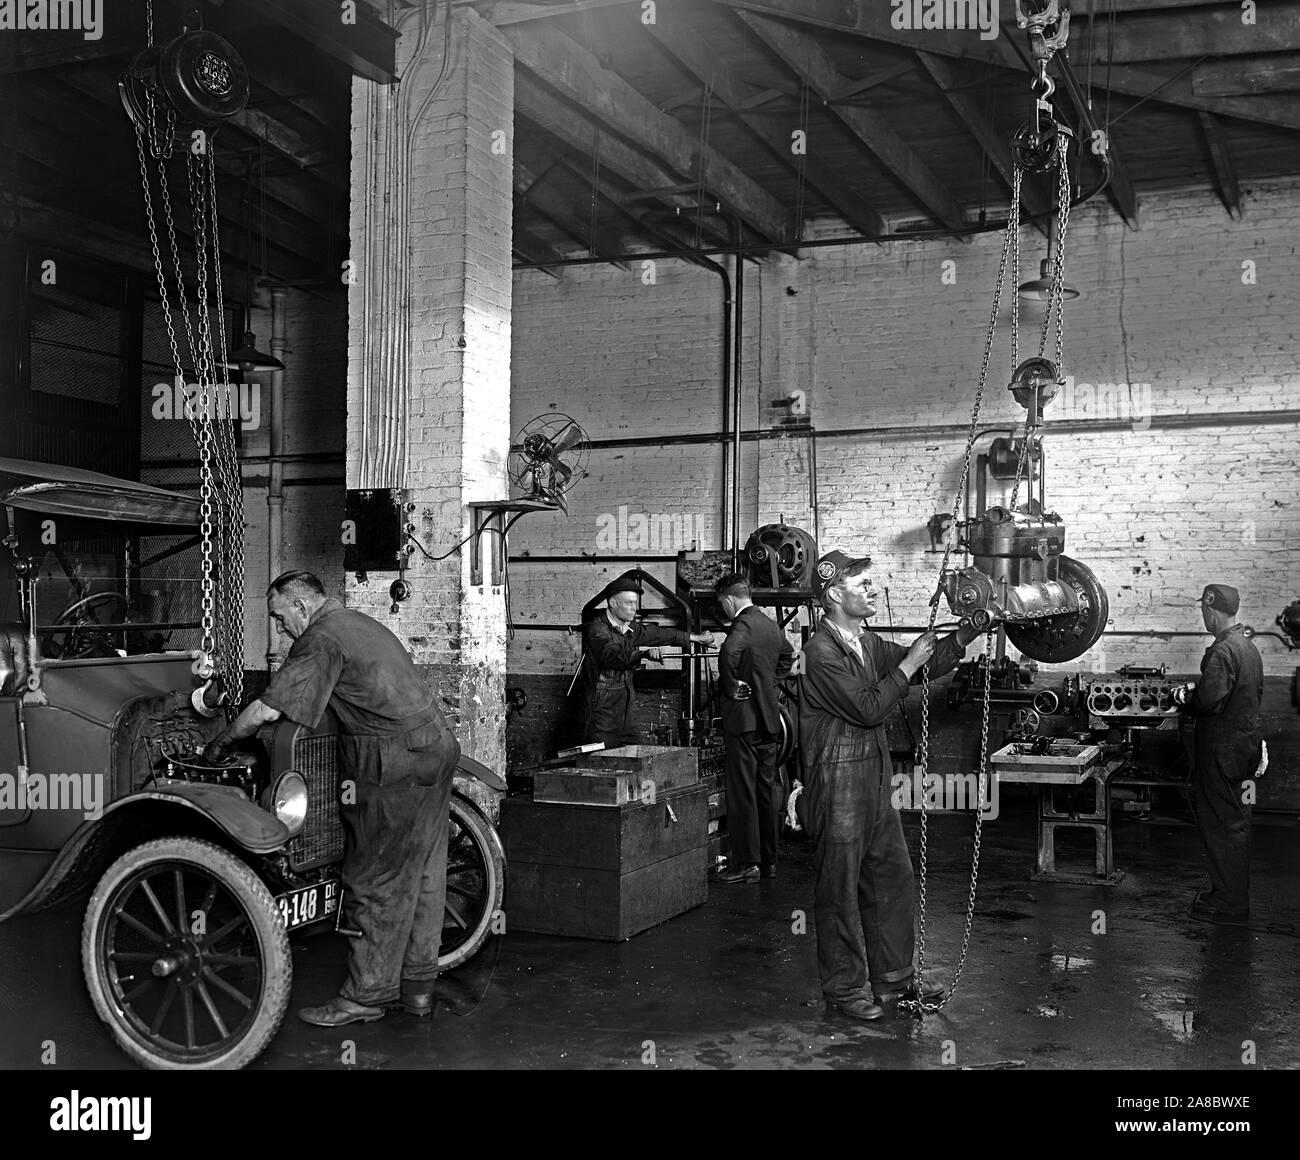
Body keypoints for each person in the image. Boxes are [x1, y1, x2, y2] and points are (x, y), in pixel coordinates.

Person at [202, 570, 460, 1027]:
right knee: (422, 870)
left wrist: (222, 742)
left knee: (374, 876)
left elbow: (269, 709)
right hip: (434, 747)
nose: (279, 628)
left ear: (302, 607)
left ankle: (366, 995)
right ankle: (417, 989)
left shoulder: (321, 639)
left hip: (393, 759)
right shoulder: (358, 624)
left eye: (280, 618)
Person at [798, 550, 981, 1021]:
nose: (872, 589)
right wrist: (908, 666)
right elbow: (867, 707)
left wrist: (972, 626)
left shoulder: (868, 643)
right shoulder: (820, 652)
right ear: (834, 595)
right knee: (838, 890)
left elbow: (926, 661)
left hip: (874, 780)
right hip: (835, 782)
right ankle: (843, 989)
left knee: (891, 879)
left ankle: (895, 979)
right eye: (861, 584)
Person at [1182, 583, 1263, 922]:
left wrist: (1187, 698)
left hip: (1221, 750)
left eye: (1203, 610)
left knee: (1222, 824)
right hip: (1243, 745)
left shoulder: (1223, 651)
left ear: (1211, 611)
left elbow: (1210, 700)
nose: (1203, 614)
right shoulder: (1248, 648)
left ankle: (1229, 902)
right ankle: (1227, 893)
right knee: (1234, 820)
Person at [714, 572, 793, 884]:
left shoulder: (743, 624)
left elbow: (727, 652)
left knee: (742, 792)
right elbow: (787, 656)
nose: (722, 610)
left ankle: (748, 863)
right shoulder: (770, 625)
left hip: (744, 722)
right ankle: (769, 861)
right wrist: (768, 683)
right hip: (770, 722)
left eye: (722, 605)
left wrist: (732, 685)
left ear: (729, 599)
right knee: (764, 790)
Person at [580, 576, 713, 748]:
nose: (634, 608)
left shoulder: (629, 628)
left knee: (632, 751)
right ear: (613, 603)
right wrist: (642, 653)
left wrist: (695, 638)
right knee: (602, 758)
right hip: (601, 711)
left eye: (635, 603)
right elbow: (611, 655)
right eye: (629, 603)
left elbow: (657, 634)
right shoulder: (597, 630)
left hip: (626, 708)